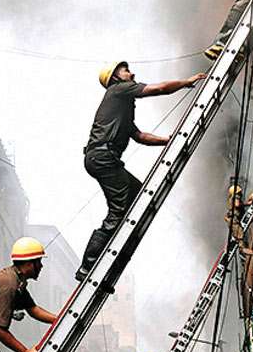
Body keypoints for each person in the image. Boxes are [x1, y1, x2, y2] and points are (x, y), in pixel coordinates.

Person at [79, 63, 206, 280]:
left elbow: (139, 136)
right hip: (103, 158)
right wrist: (187, 81)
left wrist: (168, 141)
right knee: (118, 211)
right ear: (116, 79)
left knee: (138, 194)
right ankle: (88, 267)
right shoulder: (118, 90)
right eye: (125, 70)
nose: (132, 73)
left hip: (103, 158)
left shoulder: (122, 107)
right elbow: (160, 89)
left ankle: (113, 256)